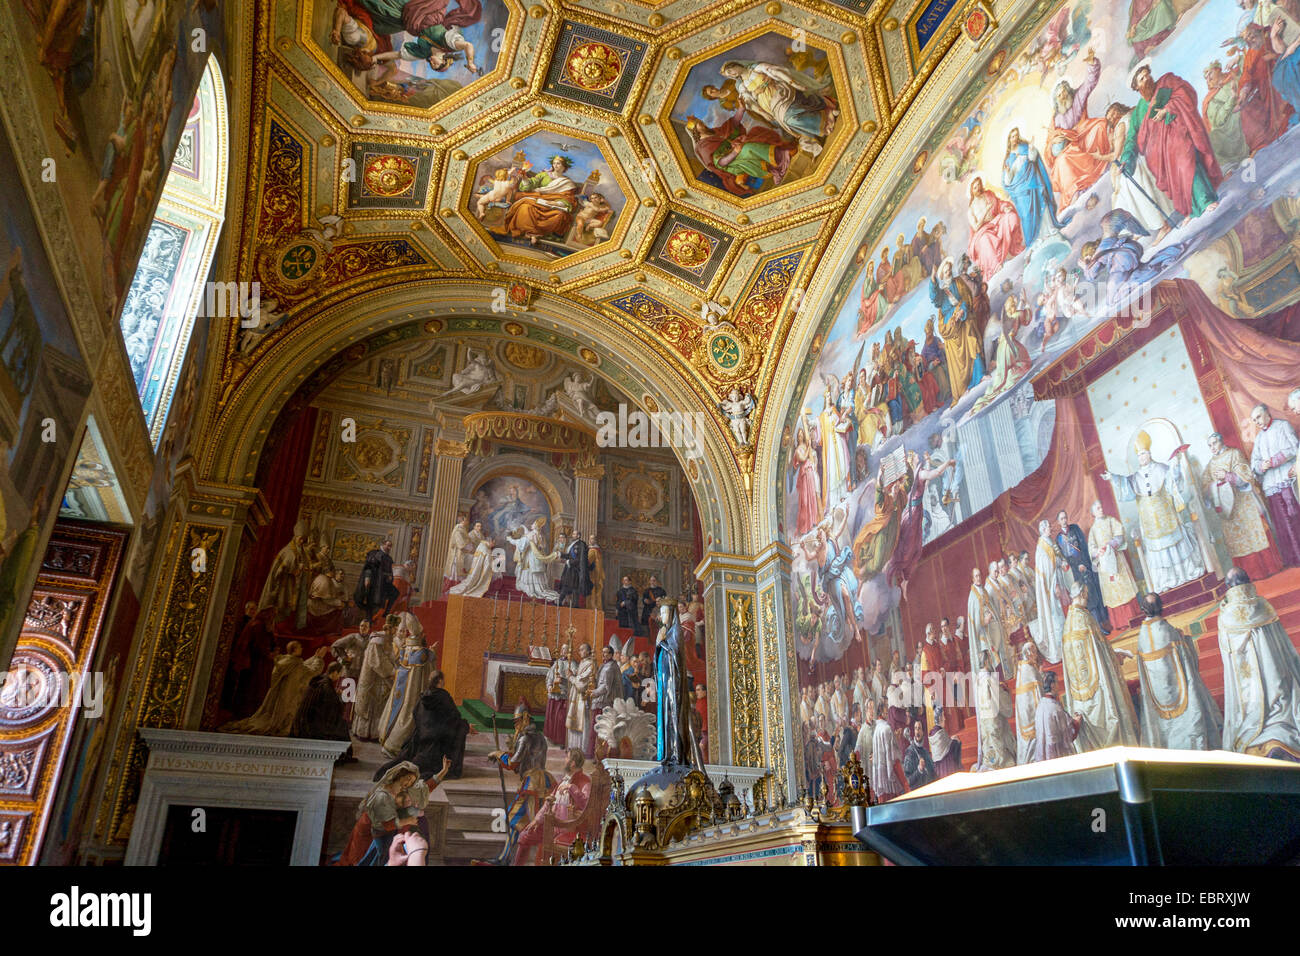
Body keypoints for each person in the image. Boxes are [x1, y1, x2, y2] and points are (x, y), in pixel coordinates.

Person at [1118, 63, 1222, 221]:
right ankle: (1192, 209)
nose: (1147, 80)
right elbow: (1132, 137)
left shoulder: (1167, 83)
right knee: (1176, 175)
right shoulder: (1138, 111)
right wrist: (1126, 160)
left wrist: (1168, 109)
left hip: (1179, 134)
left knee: (1186, 160)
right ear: (1136, 86)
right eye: (1142, 79)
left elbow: (1187, 95)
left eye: (1147, 75)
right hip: (1160, 154)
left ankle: (1205, 200)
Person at [1104, 430, 1205, 591]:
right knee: (1158, 550)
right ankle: (1167, 581)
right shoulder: (1135, 477)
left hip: (1167, 516)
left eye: (1144, 453)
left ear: (1150, 453)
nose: (1142, 457)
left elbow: (1174, 484)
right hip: (1149, 522)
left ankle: (1185, 573)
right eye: (1140, 455)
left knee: (1175, 545)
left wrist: (1176, 466)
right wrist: (1114, 478)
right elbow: (1126, 486)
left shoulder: (1162, 469)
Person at [1217, 566, 1300, 760]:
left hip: (1248, 685)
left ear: (1229, 586)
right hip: (1277, 672)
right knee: (1283, 695)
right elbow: (1283, 644)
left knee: (1251, 706)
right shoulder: (1263, 606)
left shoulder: (1227, 614)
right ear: (1247, 581)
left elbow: (1228, 652)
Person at [1134, 591, 1222, 751]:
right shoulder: (1168, 631)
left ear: (1144, 610)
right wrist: (1185, 639)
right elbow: (1187, 660)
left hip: (1157, 694)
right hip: (1178, 689)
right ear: (1161, 608)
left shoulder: (1141, 637)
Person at [1060, 582, 1140, 752]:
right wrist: (1117, 656)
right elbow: (1100, 655)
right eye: (1086, 594)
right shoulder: (1085, 619)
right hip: (1098, 689)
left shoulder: (1068, 623)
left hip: (1080, 694)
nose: (1088, 598)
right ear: (1081, 594)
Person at [1202, 431, 1282, 581]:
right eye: (1209, 445)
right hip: (1228, 510)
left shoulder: (1234, 454)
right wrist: (1213, 486)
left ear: (1221, 442)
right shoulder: (1210, 465)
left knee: (1253, 535)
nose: (1212, 447)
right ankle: (1246, 576)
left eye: (1214, 443)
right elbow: (1205, 485)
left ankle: (1268, 569)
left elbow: (1247, 475)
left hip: (1244, 503)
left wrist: (1227, 476)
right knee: (1236, 543)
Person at [487, 701, 555, 865]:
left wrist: (499, 754)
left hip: (533, 783)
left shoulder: (525, 738)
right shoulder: (539, 737)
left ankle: (512, 859)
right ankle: (508, 858)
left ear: (525, 719)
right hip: (542, 780)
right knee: (521, 819)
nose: (516, 724)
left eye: (517, 721)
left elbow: (513, 763)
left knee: (516, 817)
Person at [374, 670, 473, 781]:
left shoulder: (424, 695)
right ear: (440, 681)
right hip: (436, 743)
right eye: (443, 680)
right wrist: (466, 726)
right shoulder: (444, 697)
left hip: (421, 739)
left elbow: (416, 714)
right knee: (459, 730)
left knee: (409, 762)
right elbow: (454, 719)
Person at [1043, 50, 1109, 209]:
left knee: (1100, 125)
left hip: (1084, 132)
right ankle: (1075, 192)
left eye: (1064, 92)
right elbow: (1049, 147)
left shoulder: (1077, 97)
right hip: (1069, 146)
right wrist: (1054, 144)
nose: (1063, 96)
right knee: (1064, 158)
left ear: (1069, 91)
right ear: (1056, 101)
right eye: (1059, 95)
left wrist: (1092, 64)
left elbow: (1090, 83)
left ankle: (1104, 164)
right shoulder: (1055, 119)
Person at [220, 642, 328, 737]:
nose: (302, 649)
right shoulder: (295, 664)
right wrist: (318, 658)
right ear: (294, 650)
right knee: (284, 715)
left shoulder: (286, 661)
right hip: (288, 694)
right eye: (300, 647)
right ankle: (281, 726)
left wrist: (315, 657)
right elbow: (310, 672)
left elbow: (303, 666)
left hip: (281, 693)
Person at [512, 749, 592, 865]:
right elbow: (548, 803)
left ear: (573, 763)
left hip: (567, 828)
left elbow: (586, 805)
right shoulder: (563, 780)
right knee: (525, 836)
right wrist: (536, 820)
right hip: (551, 825)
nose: (564, 761)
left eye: (567, 758)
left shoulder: (585, 781)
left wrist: (572, 788)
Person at [1001, 127, 1070, 250]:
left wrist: (1031, 148)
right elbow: (1008, 181)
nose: (1015, 138)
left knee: (1042, 204)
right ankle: (1036, 239)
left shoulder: (1025, 147)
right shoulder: (1008, 159)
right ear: (1008, 140)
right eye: (1012, 136)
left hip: (1033, 181)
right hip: (1021, 191)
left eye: (1016, 135)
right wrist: (1007, 172)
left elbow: (1033, 159)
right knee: (1028, 215)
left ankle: (1050, 229)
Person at [378, 612, 436, 757]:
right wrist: (432, 652)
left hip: (402, 685)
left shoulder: (406, 646)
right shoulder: (421, 651)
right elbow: (430, 664)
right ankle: (393, 746)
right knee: (407, 715)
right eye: (422, 632)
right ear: (420, 634)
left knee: (398, 711)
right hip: (412, 690)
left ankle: (387, 741)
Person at [1249, 404, 1300, 566]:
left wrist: (1272, 461)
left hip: (1288, 478)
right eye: (1254, 420)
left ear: (1266, 414)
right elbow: (1254, 463)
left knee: (1295, 516)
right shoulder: (1258, 439)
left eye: (1258, 417)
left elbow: (1294, 448)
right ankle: (1293, 559)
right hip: (1271, 484)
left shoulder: (1283, 426)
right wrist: (1260, 466)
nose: (1256, 422)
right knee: (1281, 522)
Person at [653, 599, 702, 766]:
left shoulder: (676, 632)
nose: (662, 616)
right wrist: (659, 643)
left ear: (672, 614)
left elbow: (676, 655)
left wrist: (662, 642)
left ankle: (675, 752)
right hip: (664, 684)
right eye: (662, 613)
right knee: (664, 717)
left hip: (673, 686)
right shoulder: (665, 631)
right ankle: (665, 752)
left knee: (673, 717)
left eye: (666, 613)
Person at [1088, 499, 1141, 631]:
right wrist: (1098, 551)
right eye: (1098, 509)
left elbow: (1120, 534)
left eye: (1101, 507)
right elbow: (1091, 548)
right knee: (1112, 592)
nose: (1101, 510)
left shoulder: (1111, 520)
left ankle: (1134, 615)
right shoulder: (1093, 530)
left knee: (1123, 586)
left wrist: (1110, 545)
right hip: (1105, 565)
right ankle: (1120, 623)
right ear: (1093, 513)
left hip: (1117, 559)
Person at [1055, 508, 1110, 635]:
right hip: (1076, 572)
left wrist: (1085, 563)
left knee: (1095, 593)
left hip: (1086, 566)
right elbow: (1065, 557)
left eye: (1065, 517)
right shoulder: (1059, 539)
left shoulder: (1075, 528)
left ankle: (1103, 623)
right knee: (1086, 598)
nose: (1064, 520)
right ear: (1058, 521)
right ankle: (1096, 629)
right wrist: (1077, 565)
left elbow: (1084, 547)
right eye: (1061, 519)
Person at [503, 155, 579, 246]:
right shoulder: (543, 175)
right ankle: (532, 233)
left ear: (564, 167)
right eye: (554, 163)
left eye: (558, 163)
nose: (555, 165)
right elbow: (530, 185)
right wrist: (524, 178)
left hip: (551, 204)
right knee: (525, 207)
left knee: (560, 215)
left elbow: (569, 198)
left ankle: (538, 233)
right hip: (536, 199)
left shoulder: (568, 183)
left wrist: (556, 202)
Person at [965, 176, 1024, 279]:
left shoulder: (988, 195)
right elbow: (976, 227)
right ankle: (995, 266)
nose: (978, 188)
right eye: (975, 187)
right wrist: (986, 211)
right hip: (983, 231)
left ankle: (1013, 248)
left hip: (997, 221)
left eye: (979, 185)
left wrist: (1005, 208)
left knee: (1011, 217)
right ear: (971, 191)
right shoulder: (971, 209)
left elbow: (999, 204)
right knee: (985, 239)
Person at [225, 604, 277, 719]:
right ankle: (245, 713)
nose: (273, 617)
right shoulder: (258, 625)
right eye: (272, 615)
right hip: (254, 664)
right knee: (251, 689)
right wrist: (269, 654)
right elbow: (258, 646)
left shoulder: (262, 625)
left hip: (257, 663)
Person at [260, 521, 313, 629]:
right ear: (295, 537)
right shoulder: (287, 551)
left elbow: (306, 567)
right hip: (285, 585)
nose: (302, 541)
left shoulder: (304, 552)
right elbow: (277, 572)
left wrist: (305, 570)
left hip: (298, 586)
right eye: (300, 538)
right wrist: (294, 571)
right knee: (282, 608)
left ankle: (292, 628)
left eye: (304, 539)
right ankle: (276, 628)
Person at [352, 615, 398, 741]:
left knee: (379, 706)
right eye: (396, 629)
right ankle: (365, 733)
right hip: (372, 679)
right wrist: (393, 671)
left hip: (381, 680)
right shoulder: (377, 640)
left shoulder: (388, 639)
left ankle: (375, 734)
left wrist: (396, 666)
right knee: (370, 706)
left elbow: (391, 657)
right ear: (391, 628)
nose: (396, 632)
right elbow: (377, 661)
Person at [291, 661, 353, 755]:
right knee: (342, 725)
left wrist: (335, 695)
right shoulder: (326, 686)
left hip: (308, 720)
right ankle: (342, 755)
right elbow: (332, 710)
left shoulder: (320, 680)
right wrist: (340, 699)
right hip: (315, 725)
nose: (339, 676)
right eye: (339, 674)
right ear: (335, 672)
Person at [968, 566, 1014, 679]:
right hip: (982, 635)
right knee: (989, 660)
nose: (978, 578)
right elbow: (975, 621)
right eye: (976, 576)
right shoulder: (972, 596)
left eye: (979, 575)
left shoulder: (983, 590)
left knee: (997, 654)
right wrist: (984, 621)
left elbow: (990, 607)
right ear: (972, 579)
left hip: (991, 629)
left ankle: (1003, 680)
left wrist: (994, 617)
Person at [973, 650, 1016, 770]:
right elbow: (1000, 699)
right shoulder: (989, 679)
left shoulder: (977, 680)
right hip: (994, 718)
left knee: (989, 743)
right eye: (991, 660)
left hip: (984, 720)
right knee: (1000, 749)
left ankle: (991, 763)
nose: (991, 663)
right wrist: (1006, 692)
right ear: (986, 662)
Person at [505, 518, 560, 601]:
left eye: (533, 523)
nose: (532, 524)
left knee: (529, 572)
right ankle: (538, 588)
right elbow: (541, 546)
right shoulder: (540, 535)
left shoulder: (531, 535)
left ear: (536, 526)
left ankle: (532, 589)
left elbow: (521, 544)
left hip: (531, 558)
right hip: (537, 559)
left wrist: (510, 539)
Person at [1031, 672, 1078, 761]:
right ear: (1052, 685)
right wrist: (1077, 722)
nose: (1058, 685)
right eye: (1057, 682)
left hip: (1043, 756)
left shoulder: (1040, 705)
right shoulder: (1055, 707)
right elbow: (1068, 735)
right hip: (1056, 756)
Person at [355, 539, 399, 623]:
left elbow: (389, 570)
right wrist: (367, 578)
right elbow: (368, 567)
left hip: (384, 582)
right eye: (388, 545)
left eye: (390, 546)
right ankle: (369, 620)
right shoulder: (375, 554)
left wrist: (390, 577)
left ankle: (386, 613)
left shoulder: (388, 558)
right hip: (374, 581)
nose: (389, 548)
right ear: (383, 544)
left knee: (395, 593)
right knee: (371, 601)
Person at [869, 701, 906, 801]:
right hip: (889, 778)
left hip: (881, 778)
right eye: (886, 708)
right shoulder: (886, 729)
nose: (888, 711)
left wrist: (896, 738)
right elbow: (892, 757)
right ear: (881, 711)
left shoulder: (877, 729)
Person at [1014, 642, 1042, 765]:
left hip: (1025, 712)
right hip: (1031, 711)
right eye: (1034, 651)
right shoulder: (1029, 669)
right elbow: (1038, 692)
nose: (1036, 654)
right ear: (1028, 653)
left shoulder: (1022, 667)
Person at [565, 643, 595, 756]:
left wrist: (571, 677)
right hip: (575, 698)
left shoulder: (591, 665)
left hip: (583, 699)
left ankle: (582, 750)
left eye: (582, 649)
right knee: (573, 724)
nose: (579, 651)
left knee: (583, 725)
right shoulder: (582, 663)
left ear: (588, 651)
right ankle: (573, 748)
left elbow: (582, 685)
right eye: (579, 649)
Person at [449, 533, 494, 597]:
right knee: (473, 583)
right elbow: (488, 563)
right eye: (493, 543)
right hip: (478, 570)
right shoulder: (485, 549)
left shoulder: (481, 545)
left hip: (475, 568)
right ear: (490, 541)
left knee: (470, 581)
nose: (493, 545)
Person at [543, 644, 571, 746]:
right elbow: (549, 677)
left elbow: (573, 680)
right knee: (551, 716)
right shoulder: (557, 663)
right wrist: (549, 686)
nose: (564, 651)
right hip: (554, 694)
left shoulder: (572, 664)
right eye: (562, 649)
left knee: (560, 718)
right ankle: (550, 737)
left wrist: (563, 680)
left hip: (563, 695)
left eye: (566, 649)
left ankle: (560, 740)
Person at [558, 531, 592, 608]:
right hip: (570, 569)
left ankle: (573, 605)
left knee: (574, 587)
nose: (573, 535)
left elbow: (579, 559)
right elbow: (570, 556)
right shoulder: (573, 544)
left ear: (579, 536)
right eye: (572, 534)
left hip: (576, 570)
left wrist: (569, 561)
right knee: (569, 586)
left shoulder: (581, 545)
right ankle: (562, 602)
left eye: (574, 534)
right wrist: (561, 554)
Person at [902, 719, 935, 790]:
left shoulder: (925, 752)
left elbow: (933, 774)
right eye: (915, 728)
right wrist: (919, 769)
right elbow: (907, 781)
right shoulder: (910, 752)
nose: (917, 731)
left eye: (919, 728)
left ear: (923, 732)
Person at [444, 516, 472, 581]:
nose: (467, 522)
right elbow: (461, 544)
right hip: (457, 554)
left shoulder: (463, 529)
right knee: (455, 573)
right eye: (466, 520)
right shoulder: (458, 530)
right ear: (462, 521)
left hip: (462, 554)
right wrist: (468, 548)